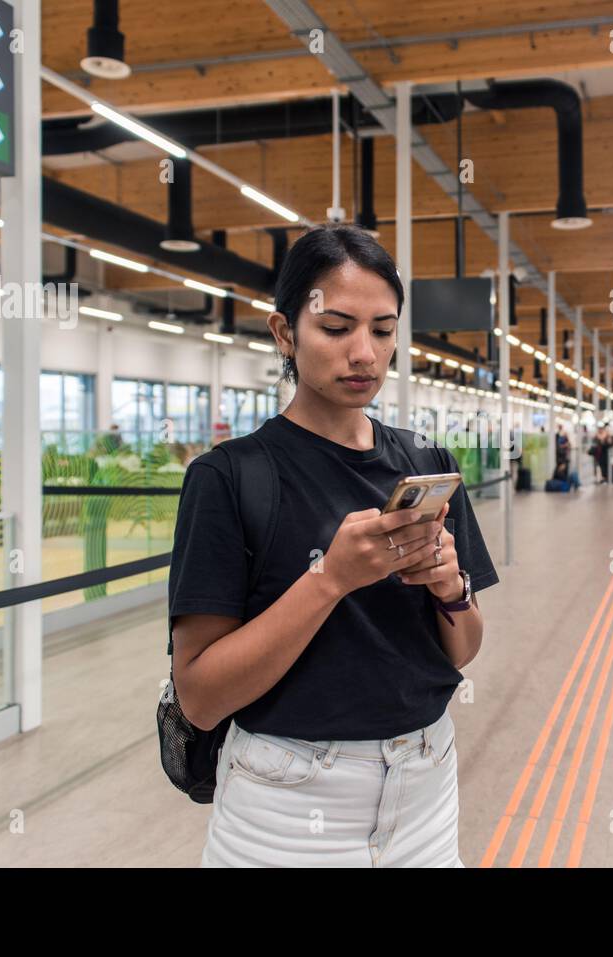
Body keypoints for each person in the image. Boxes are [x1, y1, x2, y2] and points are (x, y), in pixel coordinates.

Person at [168, 224, 499, 868]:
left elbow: (464, 647)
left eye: (381, 329)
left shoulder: (425, 464)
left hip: (427, 789)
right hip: (286, 807)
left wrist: (449, 589)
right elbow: (200, 697)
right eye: (336, 327)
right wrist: (329, 581)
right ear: (285, 333)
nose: (364, 354)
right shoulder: (230, 478)